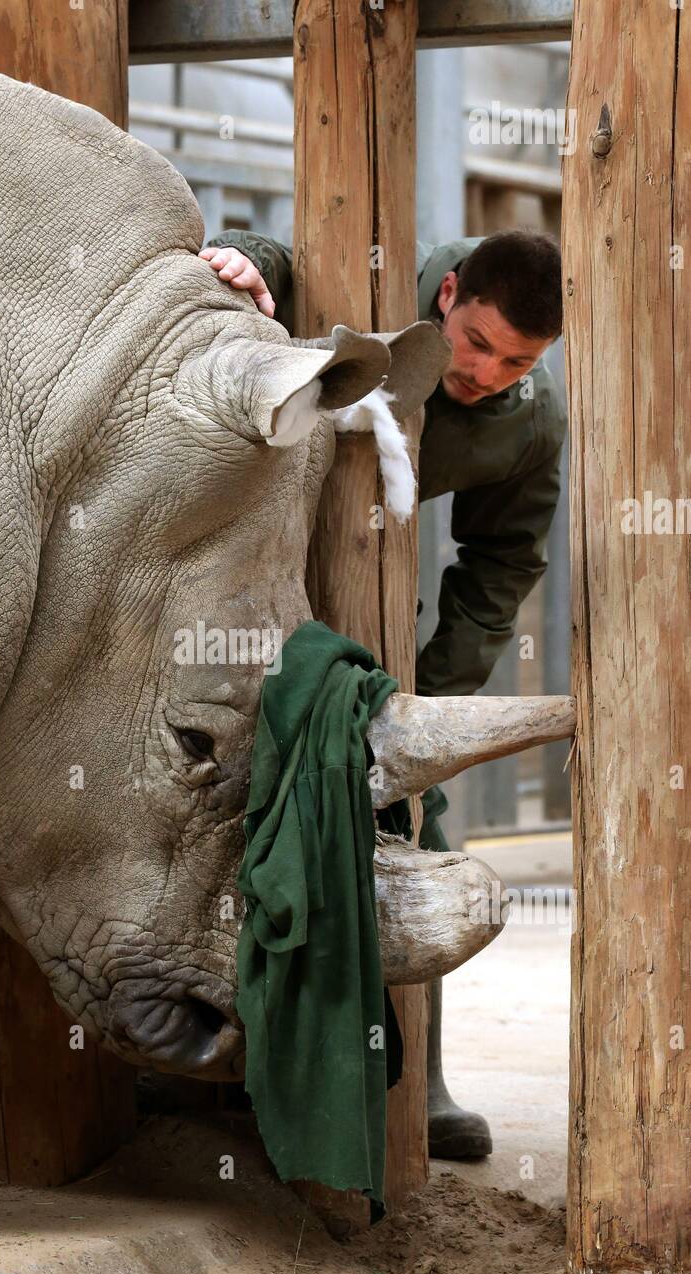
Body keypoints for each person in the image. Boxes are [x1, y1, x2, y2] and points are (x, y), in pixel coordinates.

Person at [199, 228, 567, 1159]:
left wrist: (420, 702)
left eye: (517, 359)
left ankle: (418, 1084)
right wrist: (246, 259)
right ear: (446, 294)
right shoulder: (374, 256)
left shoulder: (530, 419)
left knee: (409, 811)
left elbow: (502, 563)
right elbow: (286, 257)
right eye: (477, 343)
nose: (485, 370)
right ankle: (208, 1074)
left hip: (368, 604)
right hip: (236, 575)